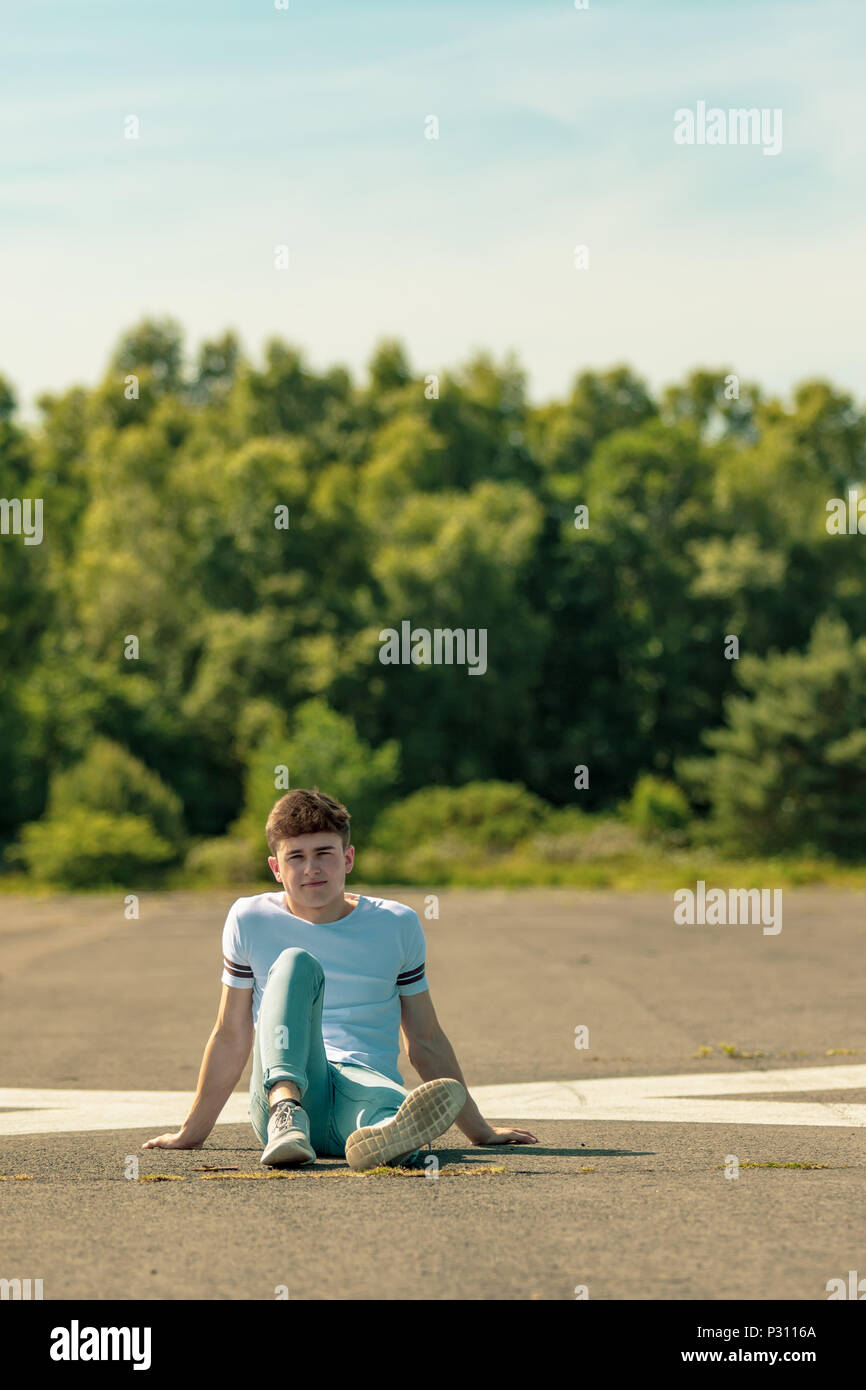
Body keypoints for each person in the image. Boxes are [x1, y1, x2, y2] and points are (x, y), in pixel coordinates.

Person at [144, 787, 537, 1169]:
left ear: (348, 858)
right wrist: (191, 1132)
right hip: (284, 1092)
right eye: (295, 856)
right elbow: (231, 1034)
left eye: (324, 854)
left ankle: (386, 1136)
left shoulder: (396, 925)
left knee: (386, 1106)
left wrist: (479, 1130)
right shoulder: (250, 919)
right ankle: (288, 1114)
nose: (311, 868)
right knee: (296, 962)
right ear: (276, 868)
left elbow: (424, 1038)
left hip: (365, 1082)